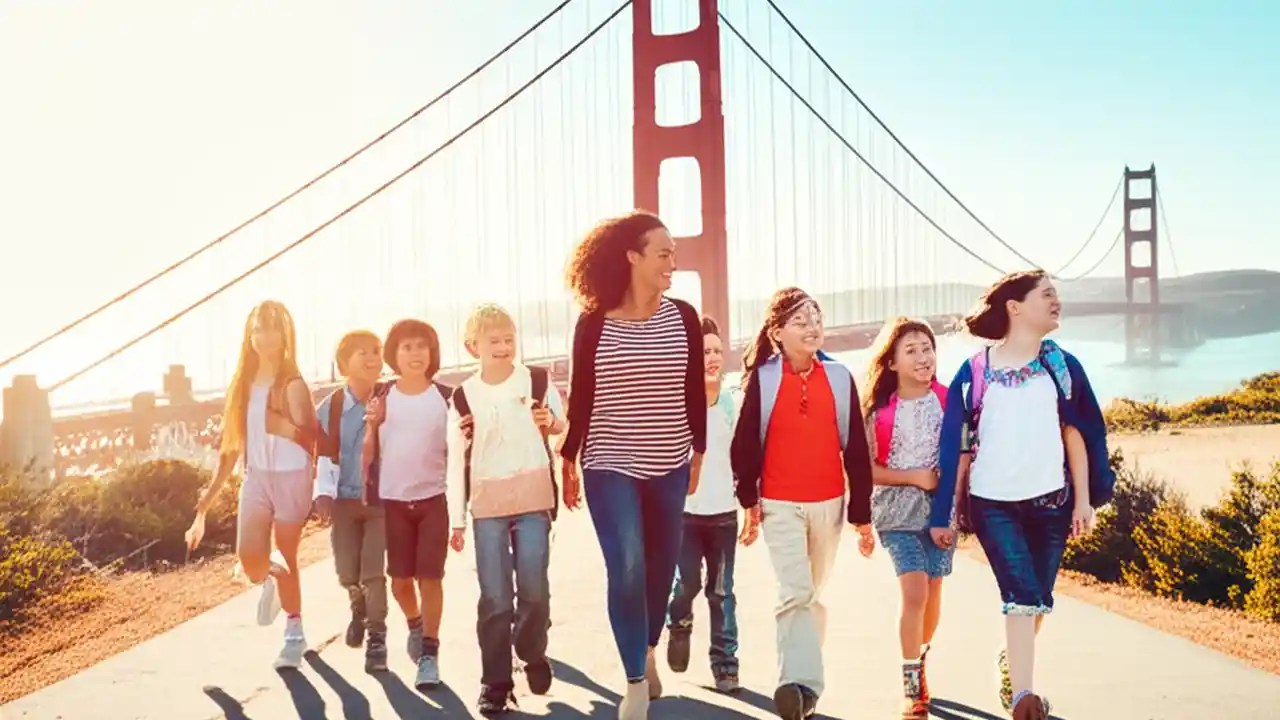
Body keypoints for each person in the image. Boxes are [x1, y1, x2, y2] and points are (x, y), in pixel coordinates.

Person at [929, 270, 1112, 720]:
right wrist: (945, 512)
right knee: (1021, 595)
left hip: (1052, 503)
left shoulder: (1062, 365)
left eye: (1057, 294)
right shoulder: (976, 370)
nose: (1056, 301)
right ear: (1014, 307)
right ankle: (1023, 700)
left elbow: (1078, 434)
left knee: (1039, 599)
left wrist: (1084, 500)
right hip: (993, 503)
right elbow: (957, 448)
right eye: (1046, 294)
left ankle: (1011, 664)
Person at [559, 210, 707, 720]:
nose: (672, 262)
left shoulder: (683, 316)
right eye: (663, 253)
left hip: (669, 459)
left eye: (673, 254)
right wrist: (568, 459)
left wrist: (700, 450)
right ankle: (635, 679)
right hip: (609, 461)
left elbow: (692, 389)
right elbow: (581, 398)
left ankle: (646, 645)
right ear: (633, 257)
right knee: (626, 564)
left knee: (660, 568)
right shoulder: (593, 325)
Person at [731, 287, 875, 720]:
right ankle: (799, 686)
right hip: (779, 503)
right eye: (800, 320)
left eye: (817, 317)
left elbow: (856, 452)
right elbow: (744, 445)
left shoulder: (839, 378)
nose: (813, 327)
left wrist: (862, 517)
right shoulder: (764, 378)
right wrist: (749, 500)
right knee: (795, 593)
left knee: (812, 595)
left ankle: (801, 680)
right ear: (777, 332)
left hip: (829, 503)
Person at [186, 300, 319, 670]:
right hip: (257, 476)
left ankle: (294, 635)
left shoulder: (293, 383)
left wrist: (283, 427)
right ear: (249, 335)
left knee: (286, 554)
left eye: (273, 327)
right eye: (258, 328)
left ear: (285, 333)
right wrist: (202, 510)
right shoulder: (243, 386)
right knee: (251, 561)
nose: (265, 336)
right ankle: (272, 582)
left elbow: (313, 438)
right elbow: (229, 450)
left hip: (293, 475)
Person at [446, 303, 564, 714]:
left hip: (533, 499)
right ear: (472, 346)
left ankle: (532, 651)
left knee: (534, 591)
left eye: (509, 339)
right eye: (493, 340)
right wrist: (456, 520)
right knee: (495, 599)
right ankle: (495, 683)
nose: (503, 346)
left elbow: (563, 429)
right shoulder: (462, 397)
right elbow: (453, 463)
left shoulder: (537, 379)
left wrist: (550, 422)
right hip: (488, 506)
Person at [861, 317, 959, 719]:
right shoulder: (880, 411)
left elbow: (961, 459)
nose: (923, 357)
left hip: (940, 513)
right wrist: (913, 477)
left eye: (927, 348)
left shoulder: (952, 401)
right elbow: (866, 469)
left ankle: (919, 659)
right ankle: (911, 686)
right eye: (912, 350)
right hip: (895, 512)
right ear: (892, 363)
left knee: (933, 596)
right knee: (915, 592)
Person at [363, 319, 454, 691]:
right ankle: (414, 623)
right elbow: (368, 455)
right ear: (394, 355)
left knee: (430, 578)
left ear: (432, 353)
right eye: (406, 347)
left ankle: (430, 653)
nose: (415, 354)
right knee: (401, 582)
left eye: (422, 346)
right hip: (394, 503)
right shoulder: (381, 396)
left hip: (434, 499)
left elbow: (462, 453)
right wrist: (371, 425)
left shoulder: (446, 398)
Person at [665, 315, 741, 694]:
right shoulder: (677, 403)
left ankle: (725, 665)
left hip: (725, 513)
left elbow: (743, 458)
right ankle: (678, 622)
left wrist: (752, 503)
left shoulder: (732, 402)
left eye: (716, 350)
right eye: (704, 351)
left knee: (722, 591)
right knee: (688, 584)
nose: (712, 357)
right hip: (685, 514)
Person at [313, 330, 388, 673]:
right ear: (343, 364)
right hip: (343, 501)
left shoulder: (390, 397)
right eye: (362, 353)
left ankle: (377, 638)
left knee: (373, 571)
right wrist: (322, 495)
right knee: (347, 572)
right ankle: (356, 605)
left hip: (380, 501)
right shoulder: (331, 408)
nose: (373, 358)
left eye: (376, 351)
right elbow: (321, 455)